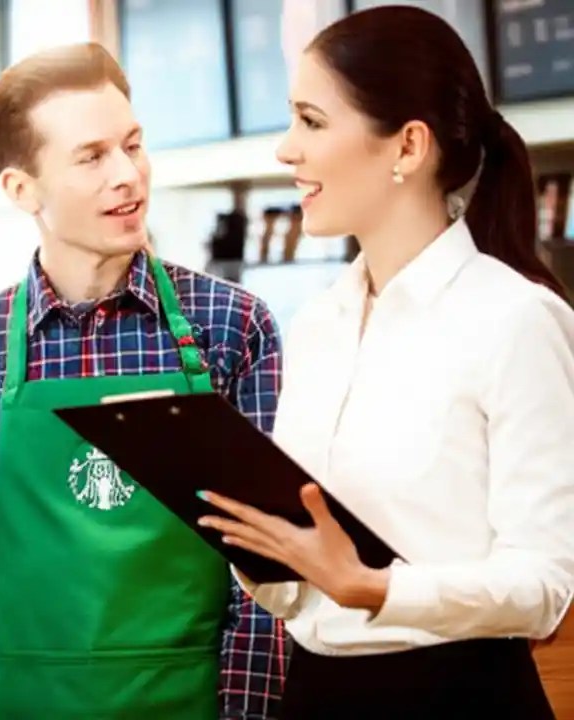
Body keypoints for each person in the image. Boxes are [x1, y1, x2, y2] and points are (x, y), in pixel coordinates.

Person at [195, 6, 574, 718]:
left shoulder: (517, 319)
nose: (286, 149)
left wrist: (376, 587)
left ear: (407, 147)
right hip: (314, 693)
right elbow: (296, 590)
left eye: (311, 121)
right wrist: (255, 549)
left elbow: (544, 582)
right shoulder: (314, 326)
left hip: (458, 696)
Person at [0, 42, 288, 720]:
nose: (127, 175)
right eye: (91, 157)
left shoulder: (232, 328)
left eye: (133, 145)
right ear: (20, 188)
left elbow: (268, 578)